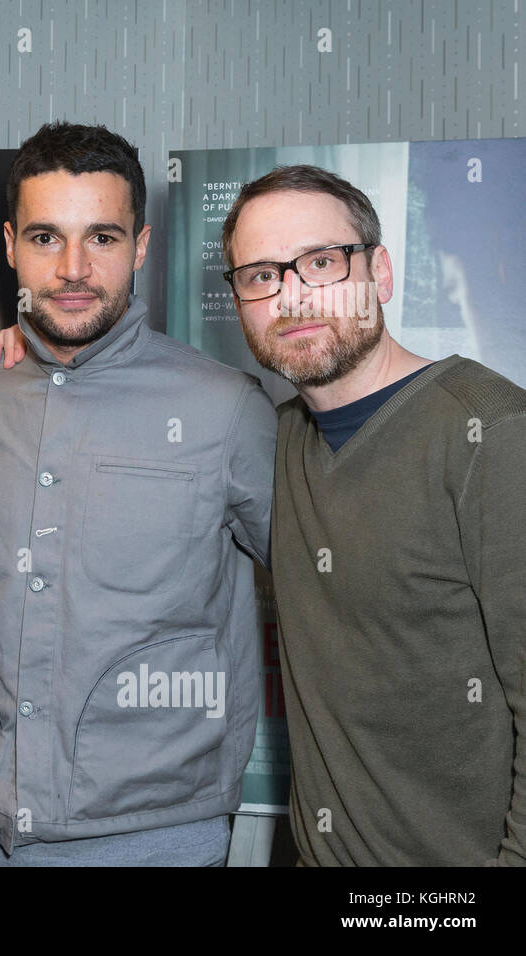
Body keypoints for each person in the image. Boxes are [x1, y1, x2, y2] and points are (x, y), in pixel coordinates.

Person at [0, 122, 276, 866]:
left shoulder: (227, 409)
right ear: (10, 246)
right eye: (46, 239)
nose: (73, 268)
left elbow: (330, 598)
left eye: (101, 239)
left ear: (139, 247)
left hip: (152, 844)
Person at [218, 164, 525, 865]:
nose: (292, 298)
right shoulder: (285, 434)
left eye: (321, 262)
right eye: (262, 276)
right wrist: (44, 354)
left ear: (380, 273)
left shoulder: (492, 434)